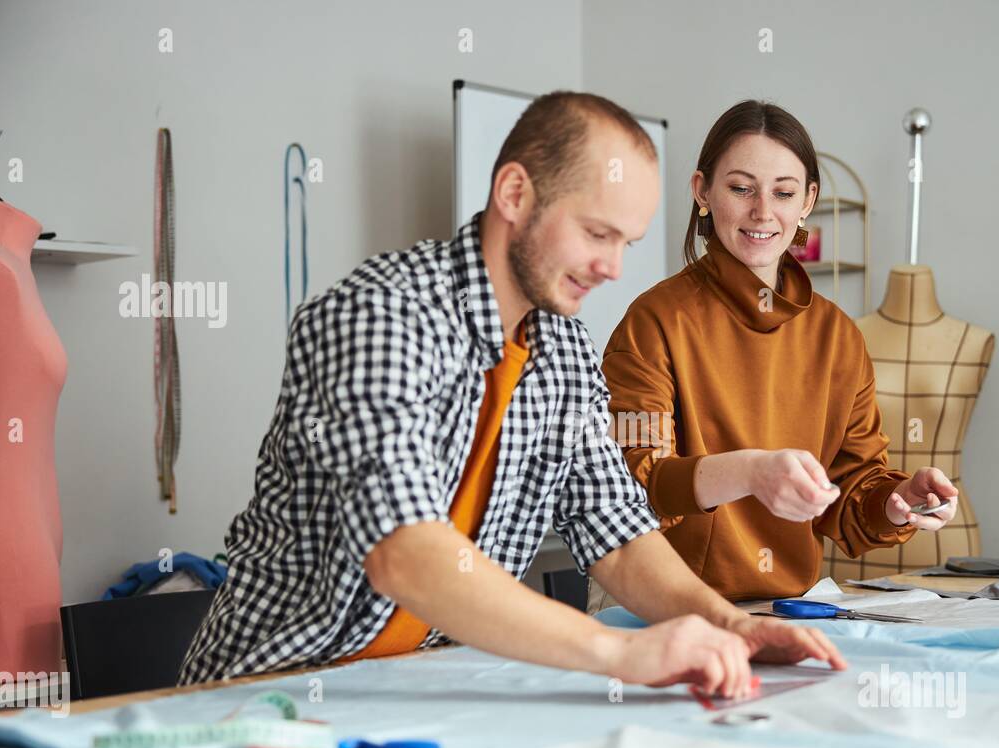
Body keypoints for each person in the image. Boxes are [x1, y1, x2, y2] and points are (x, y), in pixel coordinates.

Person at [178, 91, 845, 697]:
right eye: (596, 233)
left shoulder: (563, 347)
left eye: (627, 242)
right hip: (269, 691)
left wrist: (731, 625)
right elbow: (404, 554)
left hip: (416, 687)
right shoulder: (380, 314)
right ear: (515, 193)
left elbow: (612, 527)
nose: (613, 267)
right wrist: (620, 651)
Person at [598, 100, 958, 608]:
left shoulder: (836, 335)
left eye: (783, 192)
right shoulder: (655, 320)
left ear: (808, 200)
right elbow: (635, 484)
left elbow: (851, 488)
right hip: (660, 606)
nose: (763, 212)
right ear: (702, 191)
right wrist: (748, 471)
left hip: (784, 609)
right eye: (741, 188)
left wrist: (898, 503)